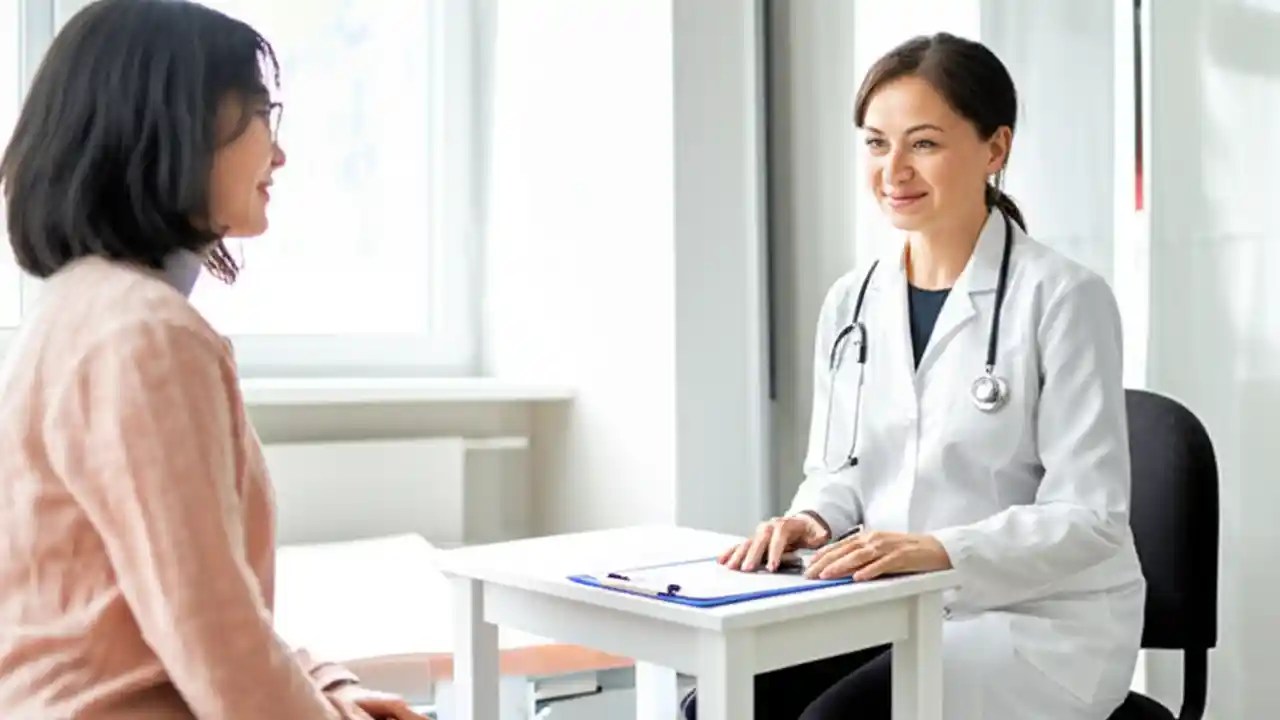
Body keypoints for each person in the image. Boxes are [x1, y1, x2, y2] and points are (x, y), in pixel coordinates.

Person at [688, 32, 1146, 720]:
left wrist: (935, 550)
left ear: (995, 149)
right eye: (876, 143)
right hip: (891, 604)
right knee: (722, 703)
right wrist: (813, 518)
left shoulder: (1064, 298)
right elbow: (838, 468)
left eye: (923, 143)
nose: (893, 170)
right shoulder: (852, 301)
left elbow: (1090, 519)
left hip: (1037, 626)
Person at [0, 1, 425, 718]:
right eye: (262, 113)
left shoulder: (77, 313)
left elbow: (174, 607)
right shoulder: (143, 334)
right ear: (175, 125)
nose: (280, 152)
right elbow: (213, 639)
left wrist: (328, 688)